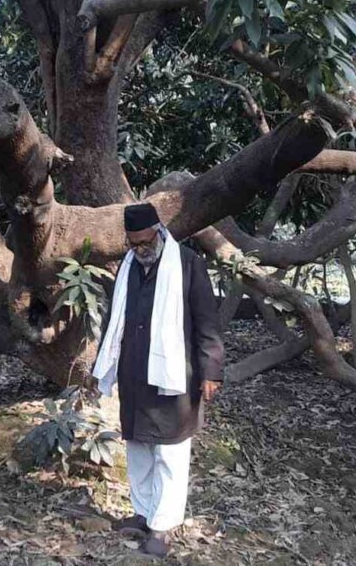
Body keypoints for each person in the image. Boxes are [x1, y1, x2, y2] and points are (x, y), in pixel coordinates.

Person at [91, 202, 224, 558]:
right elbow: (115, 320)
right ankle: (143, 513)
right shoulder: (128, 267)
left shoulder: (188, 265)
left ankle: (163, 526)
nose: (140, 249)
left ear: (160, 232)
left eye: (145, 242)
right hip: (134, 372)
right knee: (137, 447)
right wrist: (101, 365)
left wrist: (211, 369)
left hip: (174, 375)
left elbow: (207, 322)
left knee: (170, 451)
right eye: (133, 243)